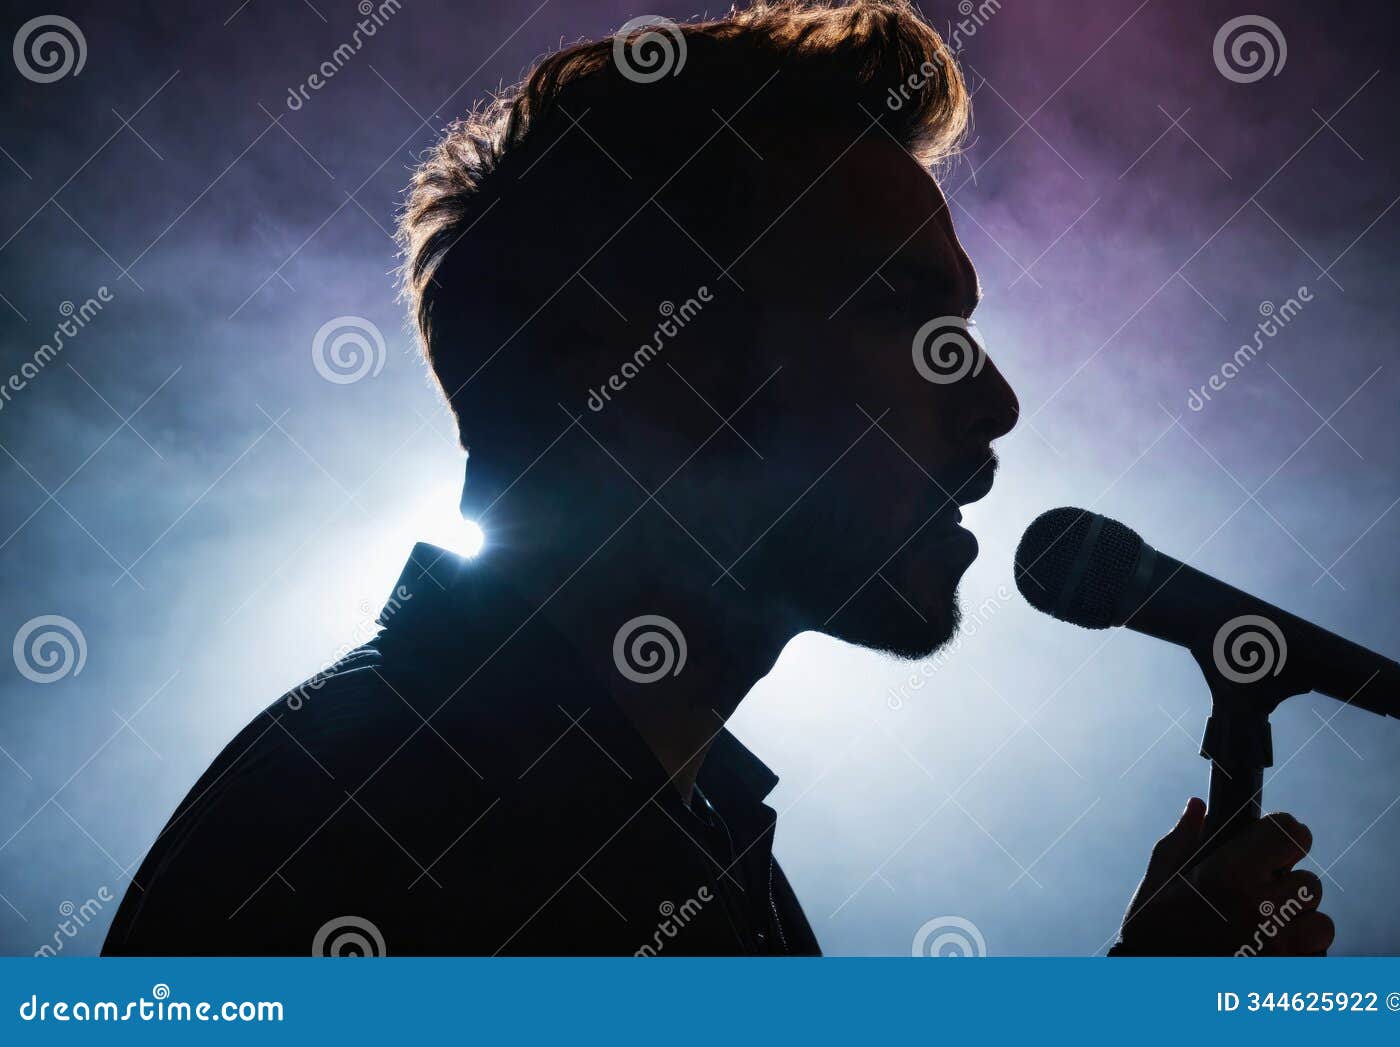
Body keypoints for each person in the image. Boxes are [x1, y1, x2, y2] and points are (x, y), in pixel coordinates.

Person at [104, 0, 1332, 956]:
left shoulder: (674, 831)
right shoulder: (375, 836)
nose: (995, 401)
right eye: (896, 308)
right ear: (629, 361)